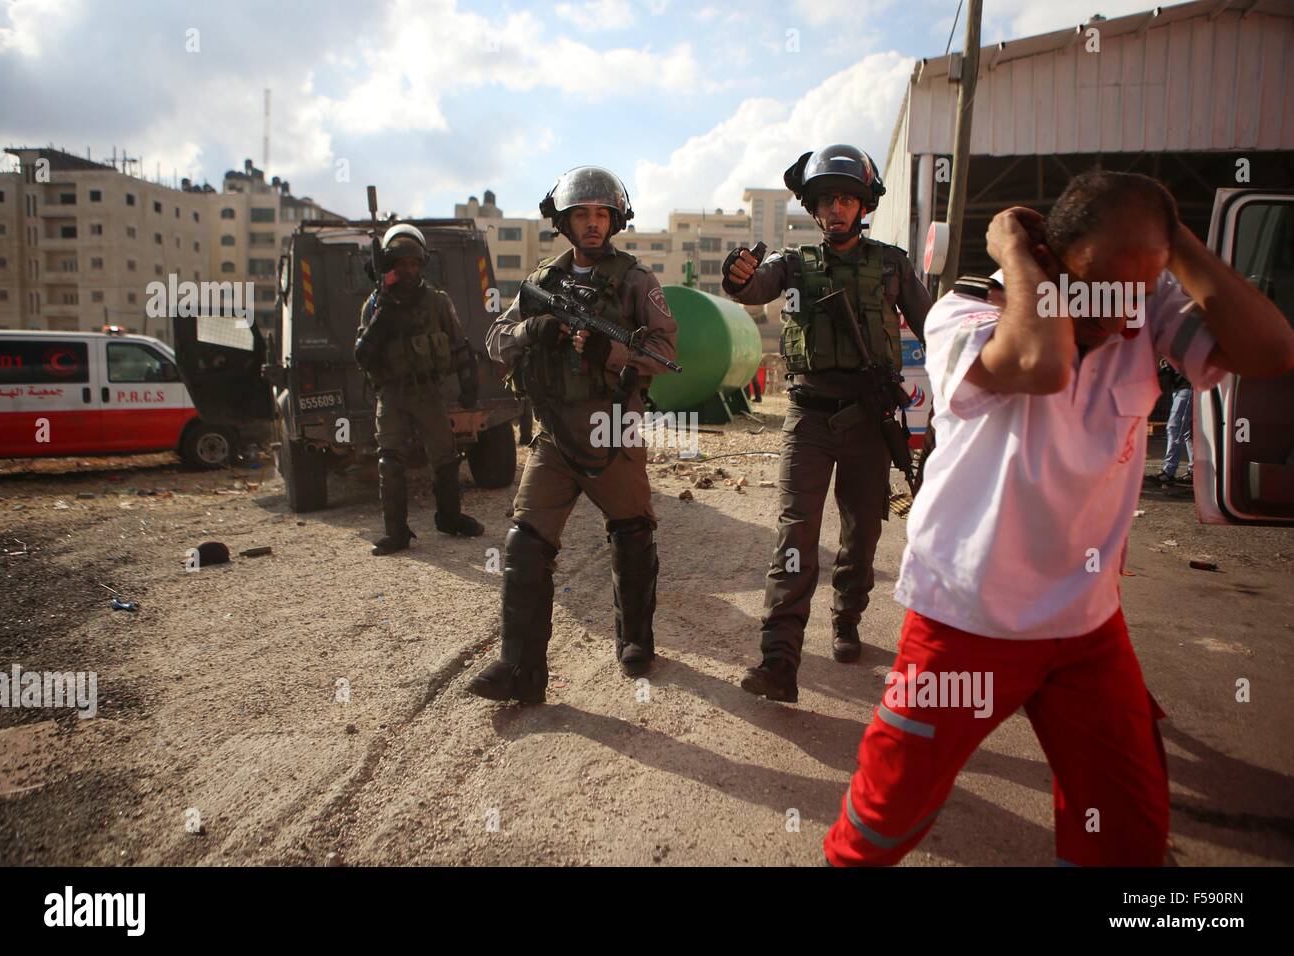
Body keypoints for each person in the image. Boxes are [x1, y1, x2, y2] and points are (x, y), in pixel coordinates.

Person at [824, 171, 1294, 866]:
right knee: (883, 821)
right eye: (1099, 285)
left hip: (1086, 627)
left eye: (1140, 287)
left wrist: (1176, 243)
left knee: (1127, 828)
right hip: (966, 620)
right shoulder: (968, 311)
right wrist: (1014, 250)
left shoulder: (1142, 301)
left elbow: (1273, 351)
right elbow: (1044, 363)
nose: (1118, 313)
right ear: (1048, 260)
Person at [721, 144, 932, 703]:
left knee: (862, 535)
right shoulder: (792, 265)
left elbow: (936, 329)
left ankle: (846, 616)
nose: (836, 208)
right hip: (809, 417)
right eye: (826, 200)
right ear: (813, 209)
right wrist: (736, 276)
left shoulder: (892, 264)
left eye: (846, 198)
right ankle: (779, 661)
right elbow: (750, 289)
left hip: (869, 420)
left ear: (862, 205)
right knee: (795, 536)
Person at [469, 167, 678, 704]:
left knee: (631, 530)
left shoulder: (636, 281)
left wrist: (610, 353)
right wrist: (530, 330)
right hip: (555, 430)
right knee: (525, 542)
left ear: (615, 220)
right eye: (582, 214)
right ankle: (520, 670)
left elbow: (666, 354)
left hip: (612, 427)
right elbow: (495, 340)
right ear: (564, 221)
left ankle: (636, 640)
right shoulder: (543, 282)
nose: (592, 224)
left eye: (602, 214)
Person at [354, 223, 484, 554]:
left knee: (445, 457)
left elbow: (459, 346)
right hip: (393, 393)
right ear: (389, 266)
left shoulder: (437, 302)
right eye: (401, 264)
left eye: (414, 263)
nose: (409, 270)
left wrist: (470, 386)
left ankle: (450, 519)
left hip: (428, 392)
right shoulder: (374, 305)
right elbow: (362, 355)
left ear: (422, 263)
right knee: (390, 462)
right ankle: (396, 533)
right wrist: (384, 315)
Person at [1148, 359, 1193, 486]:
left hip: (1187, 385)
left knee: (1175, 428)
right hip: (1181, 385)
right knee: (1186, 431)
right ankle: (1193, 470)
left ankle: (1169, 471)